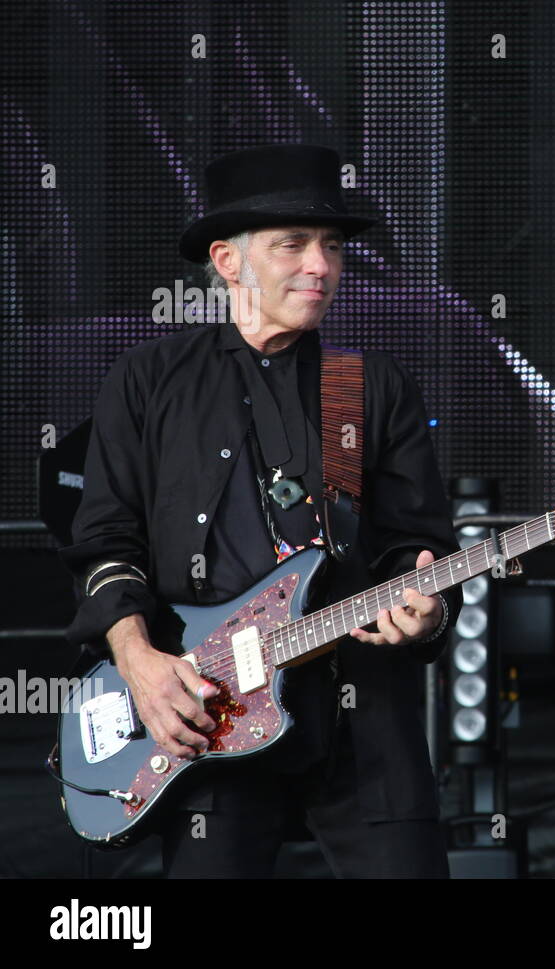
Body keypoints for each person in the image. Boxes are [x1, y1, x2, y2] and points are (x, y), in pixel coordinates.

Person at [60, 144, 463, 877]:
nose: (321, 265)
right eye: (294, 244)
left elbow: (418, 547)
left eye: (333, 247)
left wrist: (427, 606)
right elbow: (103, 542)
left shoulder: (366, 387)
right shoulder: (148, 381)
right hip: (212, 725)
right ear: (228, 260)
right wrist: (140, 661)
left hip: (361, 722)